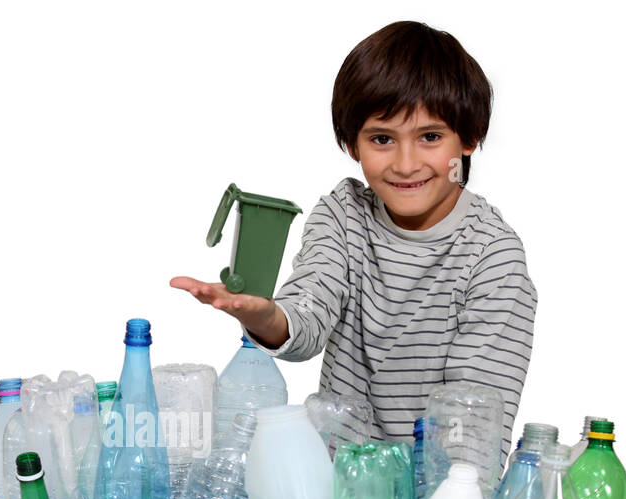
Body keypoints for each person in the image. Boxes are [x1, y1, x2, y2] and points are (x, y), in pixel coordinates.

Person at [171, 21, 537, 454]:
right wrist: (266, 317)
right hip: (335, 485)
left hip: (435, 497)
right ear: (352, 146)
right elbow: (307, 314)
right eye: (382, 138)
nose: (405, 164)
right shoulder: (343, 216)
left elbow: (473, 426)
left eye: (430, 137)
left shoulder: (492, 257)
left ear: (470, 137)